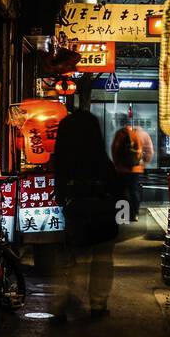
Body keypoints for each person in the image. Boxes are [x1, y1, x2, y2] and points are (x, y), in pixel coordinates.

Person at [51, 109, 118, 320]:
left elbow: (59, 185)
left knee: (74, 258)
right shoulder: (101, 160)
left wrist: (64, 200)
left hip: (76, 210)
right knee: (102, 258)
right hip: (102, 211)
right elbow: (113, 183)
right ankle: (98, 304)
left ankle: (65, 301)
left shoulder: (64, 160)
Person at [111, 120, 154, 221]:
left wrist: (117, 164)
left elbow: (114, 149)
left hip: (121, 169)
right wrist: (143, 164)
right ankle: (134, 214)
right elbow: (148, 151)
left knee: (121, 191)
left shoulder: (120, 133)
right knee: (134, 191)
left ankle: (123, 214)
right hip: (135, 169)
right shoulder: (138, 134)